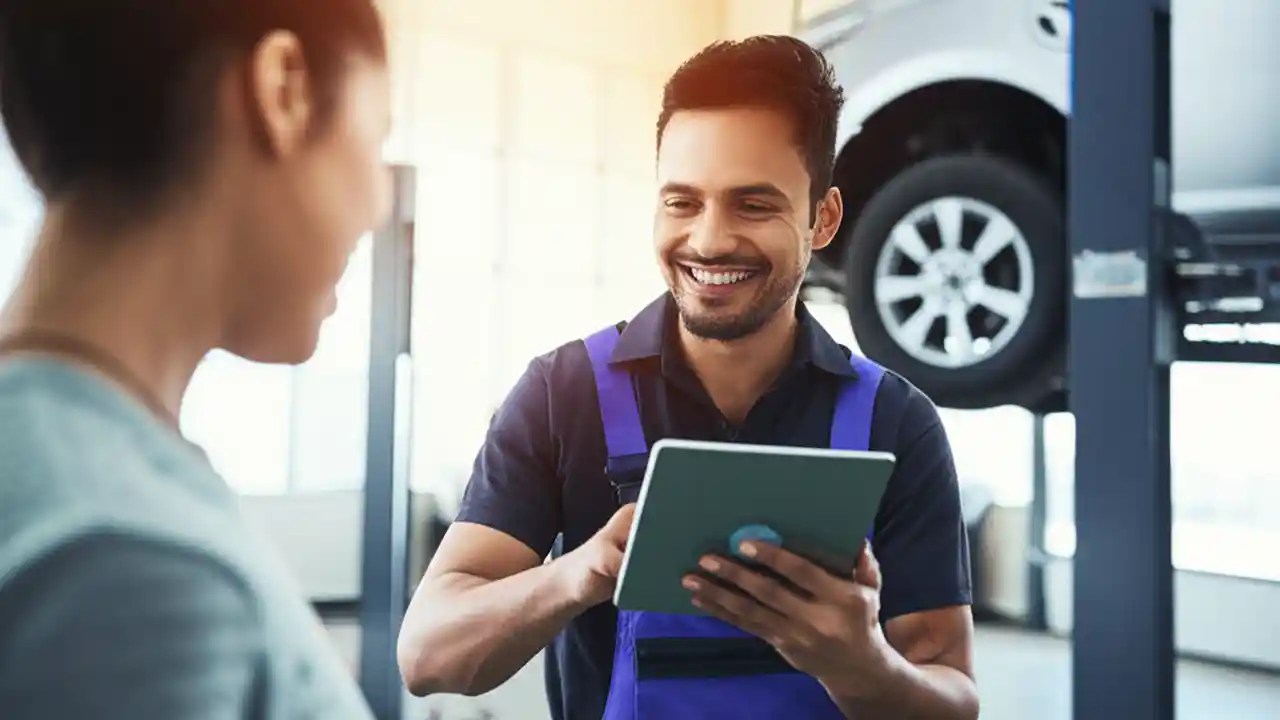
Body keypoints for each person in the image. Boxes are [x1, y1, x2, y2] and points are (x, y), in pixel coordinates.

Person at [398, 35, 980, 720]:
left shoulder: (895, 422)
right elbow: (428, 657)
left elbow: (954, 699)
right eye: (682, 202)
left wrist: (860, 664)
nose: (708, 240)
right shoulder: (565, 395)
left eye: (753, 205)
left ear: (822, 219)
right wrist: (578, 574)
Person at [0, 1, 390, 717]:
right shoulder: (123, 558)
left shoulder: (66, 469)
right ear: (283, 90)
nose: (378, 202)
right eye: (377, 139)